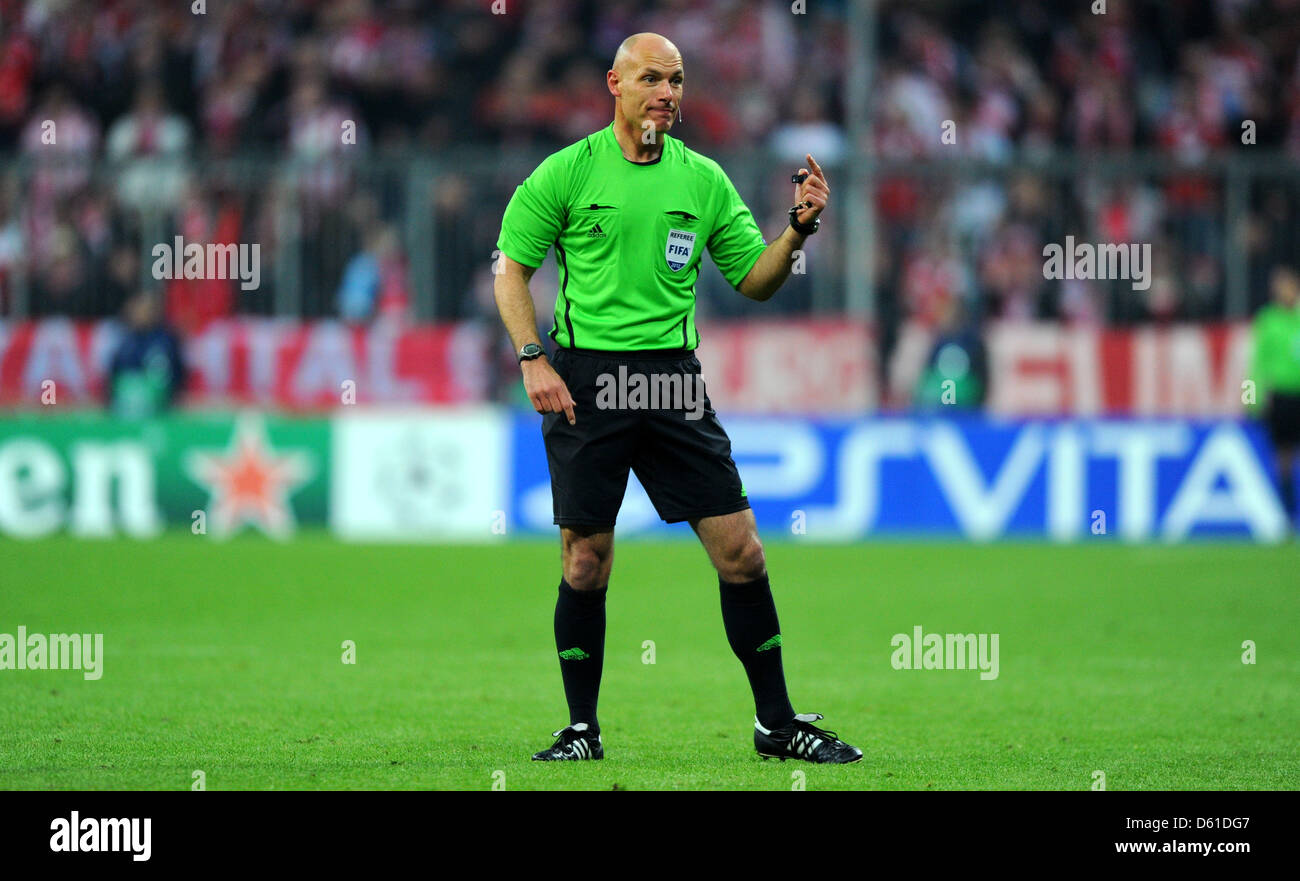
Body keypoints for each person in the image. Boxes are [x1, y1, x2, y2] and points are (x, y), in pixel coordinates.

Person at [493, 33, 861, 764]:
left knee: (744, 553)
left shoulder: (703, 180)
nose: (668, 92)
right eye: (654, 79)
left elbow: (754, 281)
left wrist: (796, 230)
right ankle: (581, 729)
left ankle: (776, 723)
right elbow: (511, 271)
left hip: (670, 382)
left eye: (679, 80)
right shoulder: (565, 172)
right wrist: (533, 357)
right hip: (587, 381)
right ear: (616, 84)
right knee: (584, 562)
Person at [1251, 264, 1300, 528]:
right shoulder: (1268, 320)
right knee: (1283, 459)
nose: (1284, 291)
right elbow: (1256, 366)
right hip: (1281, 398)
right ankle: (1288, 516)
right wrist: (1250, 401)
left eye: (1288, 285)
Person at [106, 290, 186, 419]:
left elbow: (177, 375)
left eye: (144, 309)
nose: (139, 313)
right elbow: (114, 375)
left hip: (161, 408)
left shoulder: (166, 342)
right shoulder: (124, 342)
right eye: (136, 309)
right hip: (126, 407)